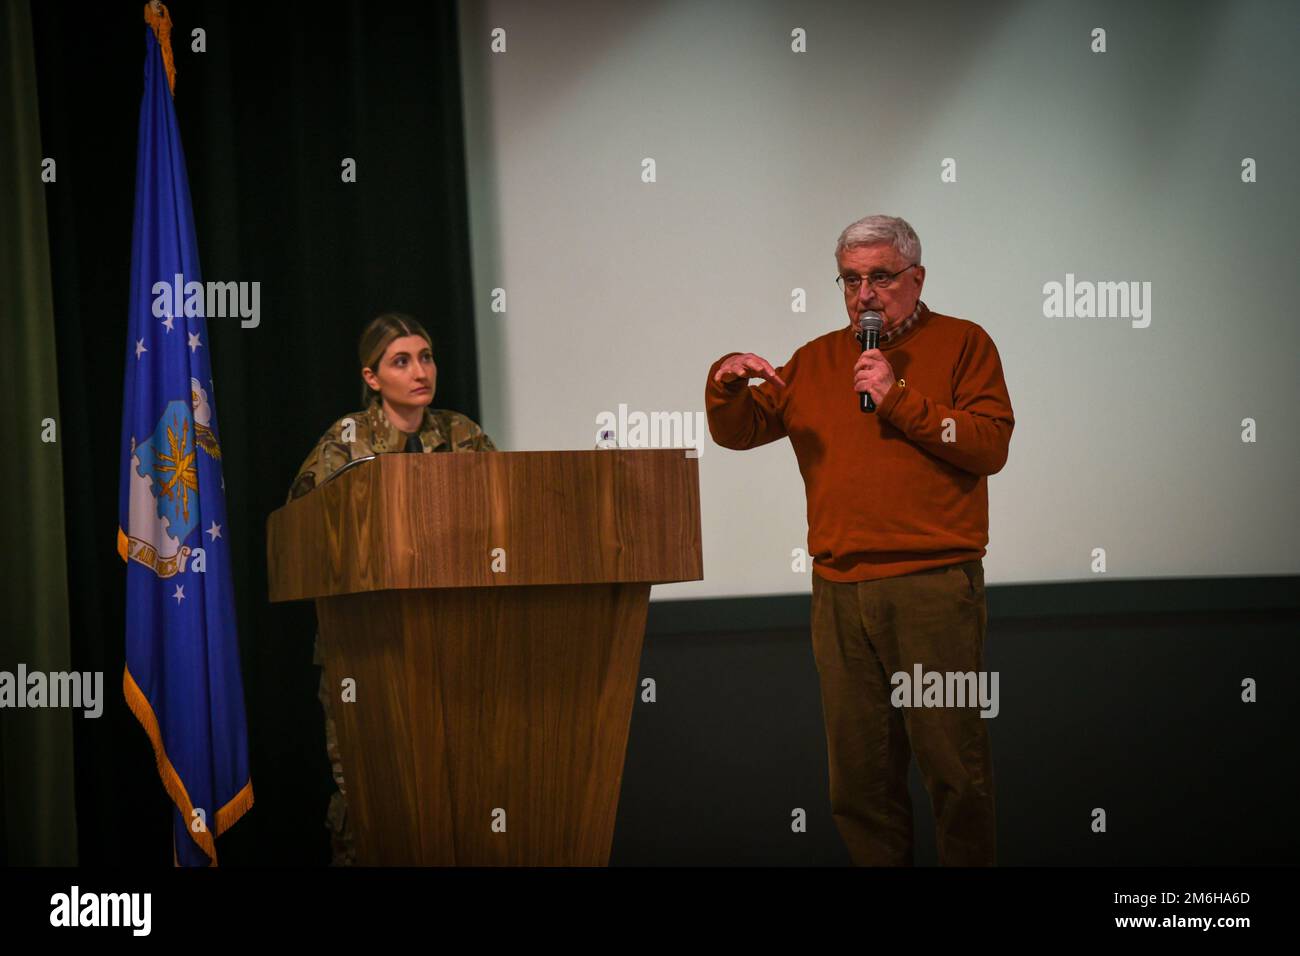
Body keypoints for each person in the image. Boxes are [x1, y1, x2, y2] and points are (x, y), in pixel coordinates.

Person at [705, 215, 1014, 866]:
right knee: (859, 784)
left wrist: (898, 398)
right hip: (840, 595)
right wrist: (725, 383)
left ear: (916, 278)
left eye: (880, 277)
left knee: (955, 770)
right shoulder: (817, 360)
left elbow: (988, 445)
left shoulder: (963, 344)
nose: (864, 294)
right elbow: (739, 431)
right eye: (851, 280)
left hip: (933, 590)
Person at [287, 312, 497, 865]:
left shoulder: (462, 436)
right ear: (373, 377)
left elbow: (504, 516)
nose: (419, 370)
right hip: (363, 648)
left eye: (425, 357)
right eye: (400, 361)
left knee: (455, 790)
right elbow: (300, 533)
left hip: (451, 644)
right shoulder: (346, 441)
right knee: (369, 794)